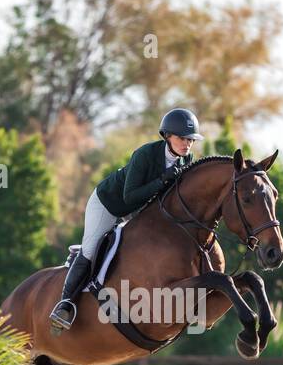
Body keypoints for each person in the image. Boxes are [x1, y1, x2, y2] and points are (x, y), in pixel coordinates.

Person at [49, 108, 203, 332]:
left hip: (139, 212)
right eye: (182, 138)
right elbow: (129, 197)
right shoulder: (145, 155)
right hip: (109, 204)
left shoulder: (187, 159)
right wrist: (162, 180)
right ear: (167, 136)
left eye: (190, 140)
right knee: (91, 249)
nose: (187, 144)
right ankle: (65, 304)